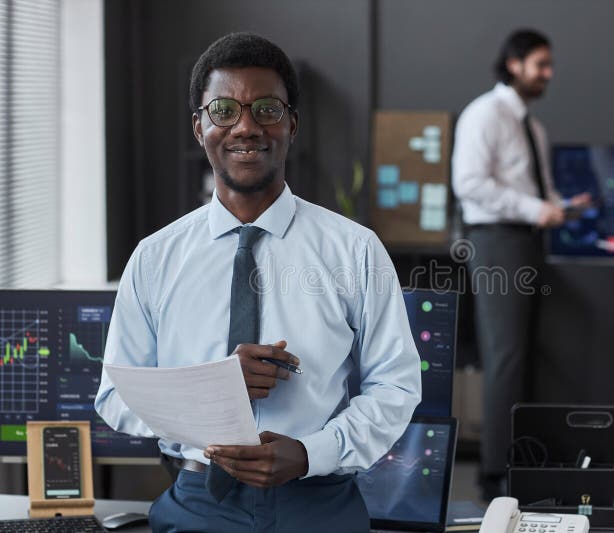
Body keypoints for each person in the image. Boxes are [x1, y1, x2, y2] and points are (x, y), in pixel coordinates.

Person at [95, 32, 421, 533]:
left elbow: (396, 385)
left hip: (318, 501)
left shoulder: (354, 249)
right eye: (224, 109)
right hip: (197, 500)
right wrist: (211, 390)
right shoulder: (155, 258)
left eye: (266, 109)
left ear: (292, 124)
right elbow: (116, 394)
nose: (245, 127)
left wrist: (311, 453)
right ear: (198, 126)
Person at [451, 28, 590, 501]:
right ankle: (495, 474)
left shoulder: (534, 126)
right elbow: (468, 182)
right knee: (506, 356)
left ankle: (523, 461)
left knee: (528, 355)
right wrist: (535, 210)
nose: (548, 74)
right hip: (496, 243)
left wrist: (561, 205)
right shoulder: (484, 114)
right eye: (540, 65)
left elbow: (538, 189)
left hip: (528, 242)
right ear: (514, 63)